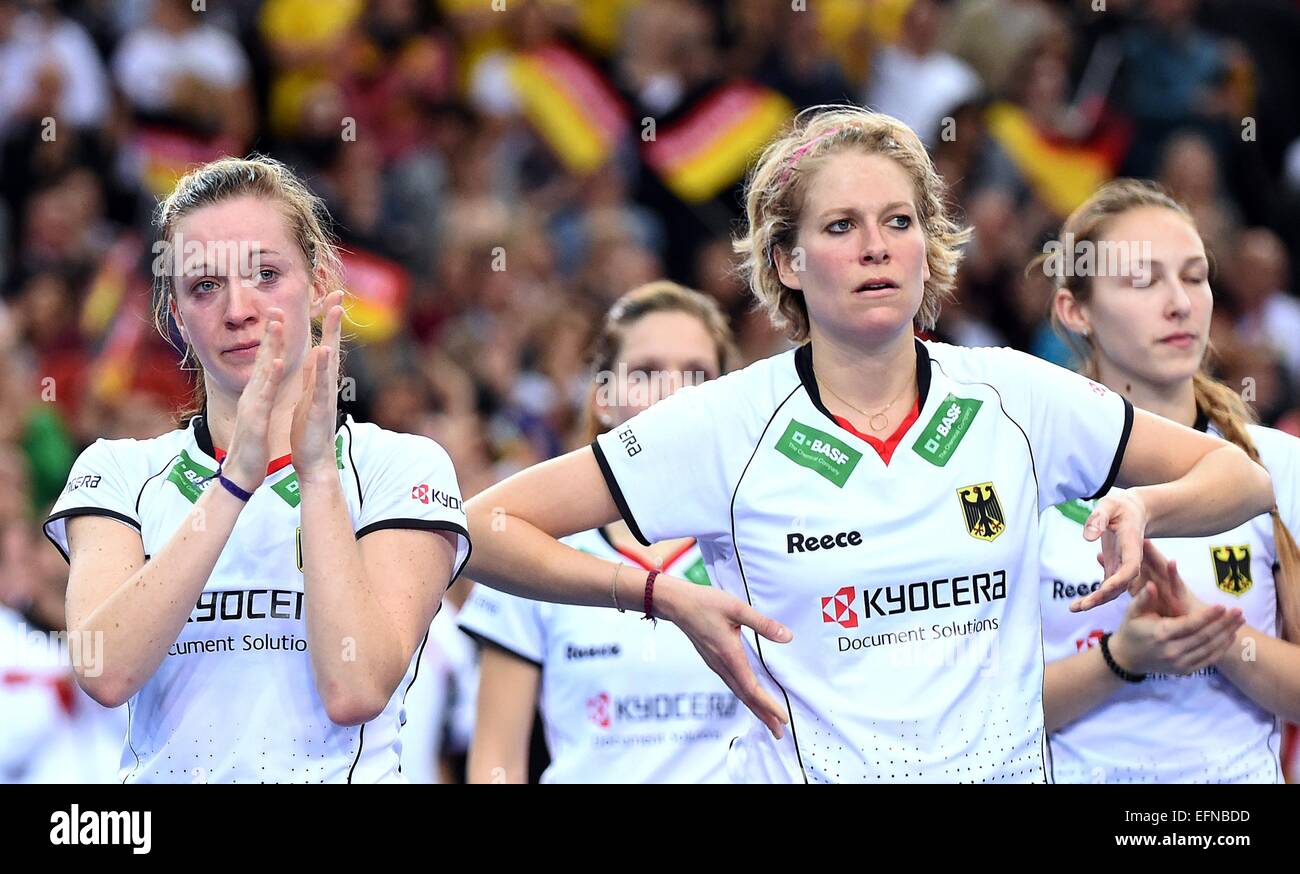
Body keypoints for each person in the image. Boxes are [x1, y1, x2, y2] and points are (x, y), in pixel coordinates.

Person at [460, 105, 1275, 783]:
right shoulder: (722, 422)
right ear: (786, 260)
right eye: (842, 226)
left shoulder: (1017, 393)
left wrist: (1142, 502)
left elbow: (1239, 475)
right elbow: (483, 528)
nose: (877, 246)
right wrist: (657, 596)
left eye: (899, 221)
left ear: (930, 245)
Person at [42, 156, 470, 783]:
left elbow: (354, 689)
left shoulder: (398, 467)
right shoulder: (117, 471)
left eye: (266, 274)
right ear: (177, 315)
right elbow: (105, 670)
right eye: (204, 286)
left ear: (321, 280)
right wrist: (231, 486)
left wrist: (318, 475)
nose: (238, 310)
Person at [1037, 179, 1300, 783]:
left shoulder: (1276, 465)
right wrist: (1120, 658)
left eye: (1194, 275)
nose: (1180, 303)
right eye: (1143, 280)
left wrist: (1215, 637)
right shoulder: (1028, 472)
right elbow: (978, 714)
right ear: (1075, 311)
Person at [459, 281, 750, 783]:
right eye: (645, 372)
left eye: (698, 374)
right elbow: (496, 762)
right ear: (602, 401)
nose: (673, 391)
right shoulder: (527, 547)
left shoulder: (767, 539)